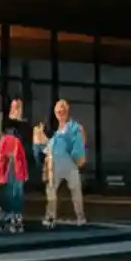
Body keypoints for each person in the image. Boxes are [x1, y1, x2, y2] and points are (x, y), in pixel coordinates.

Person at [33, 98, 86, 228]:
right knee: (51, 190)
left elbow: (79, 144)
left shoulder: (74, 127)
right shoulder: (54, 130)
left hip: (70, 164)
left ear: (67, 111)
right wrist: (41, 139)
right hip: (55, 165)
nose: (60, 112)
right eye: (58, 109)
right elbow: (48, 146)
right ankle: (50, 217)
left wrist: (78, 157)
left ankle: (80, 217)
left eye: (63, 109)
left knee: (75, 191)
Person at [0, 116, 29, 233]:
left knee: (6, 195)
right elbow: (23, 159)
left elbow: (0, 159)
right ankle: (16, 220)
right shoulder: (17, 141)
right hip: (17, 171)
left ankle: (4, 221)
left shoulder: (3, 141)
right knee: (17, 195)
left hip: (6, 172)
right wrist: (25, 174)